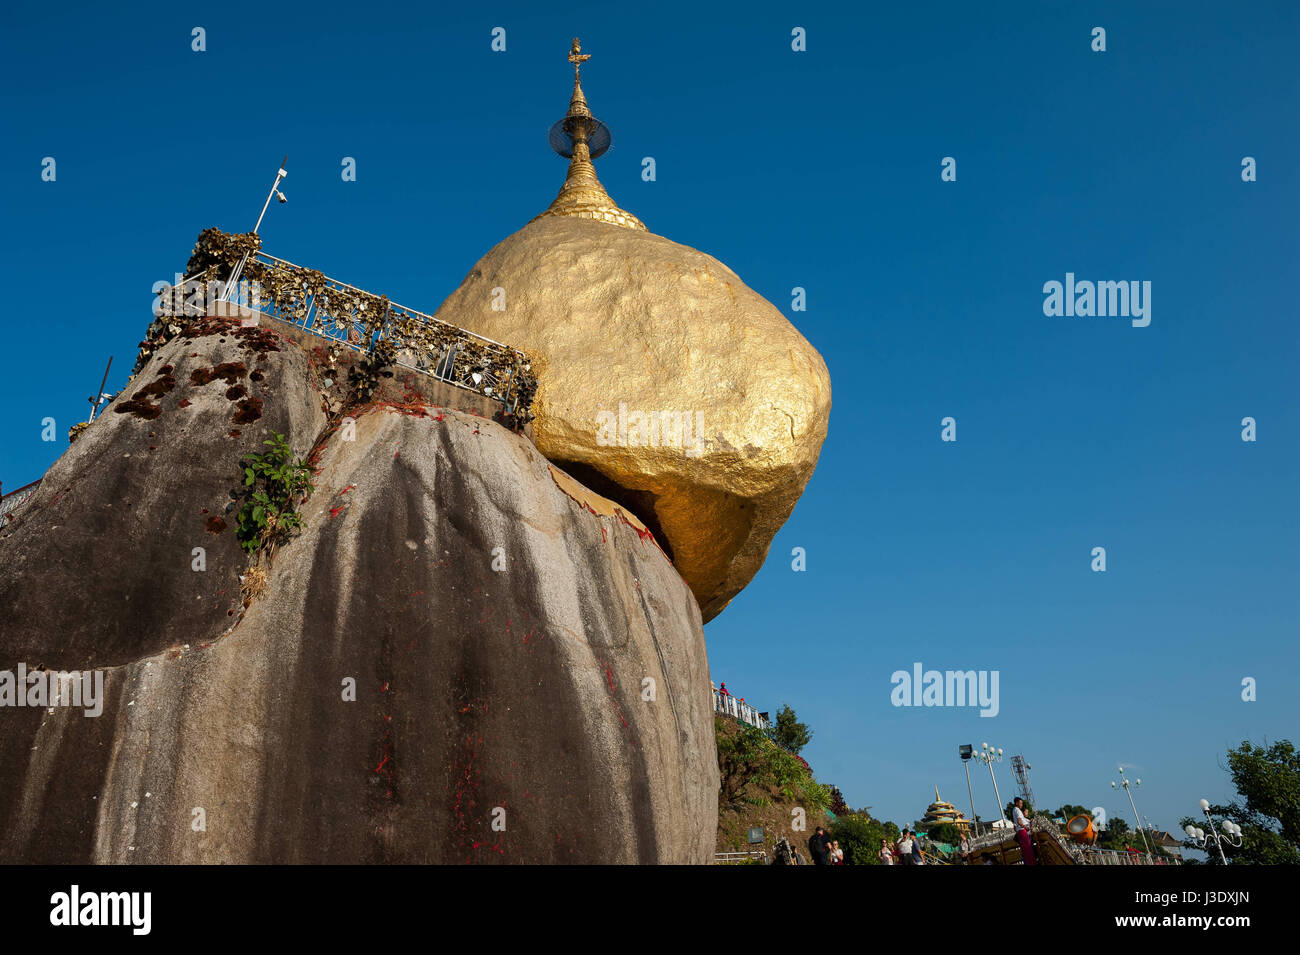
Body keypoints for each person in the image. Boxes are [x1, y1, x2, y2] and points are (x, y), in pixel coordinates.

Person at [1012, 797, 1037, 866]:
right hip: (1022, 831)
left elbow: (1015, 826)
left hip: (1019, 832)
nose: (1021, 804)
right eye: (1020, 803)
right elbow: (1019, 821)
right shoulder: (1017, 810)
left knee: (1025, 850)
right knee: (1028, 849)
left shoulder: (1014, 810)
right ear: (1016, 803)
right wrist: (1025, 827)